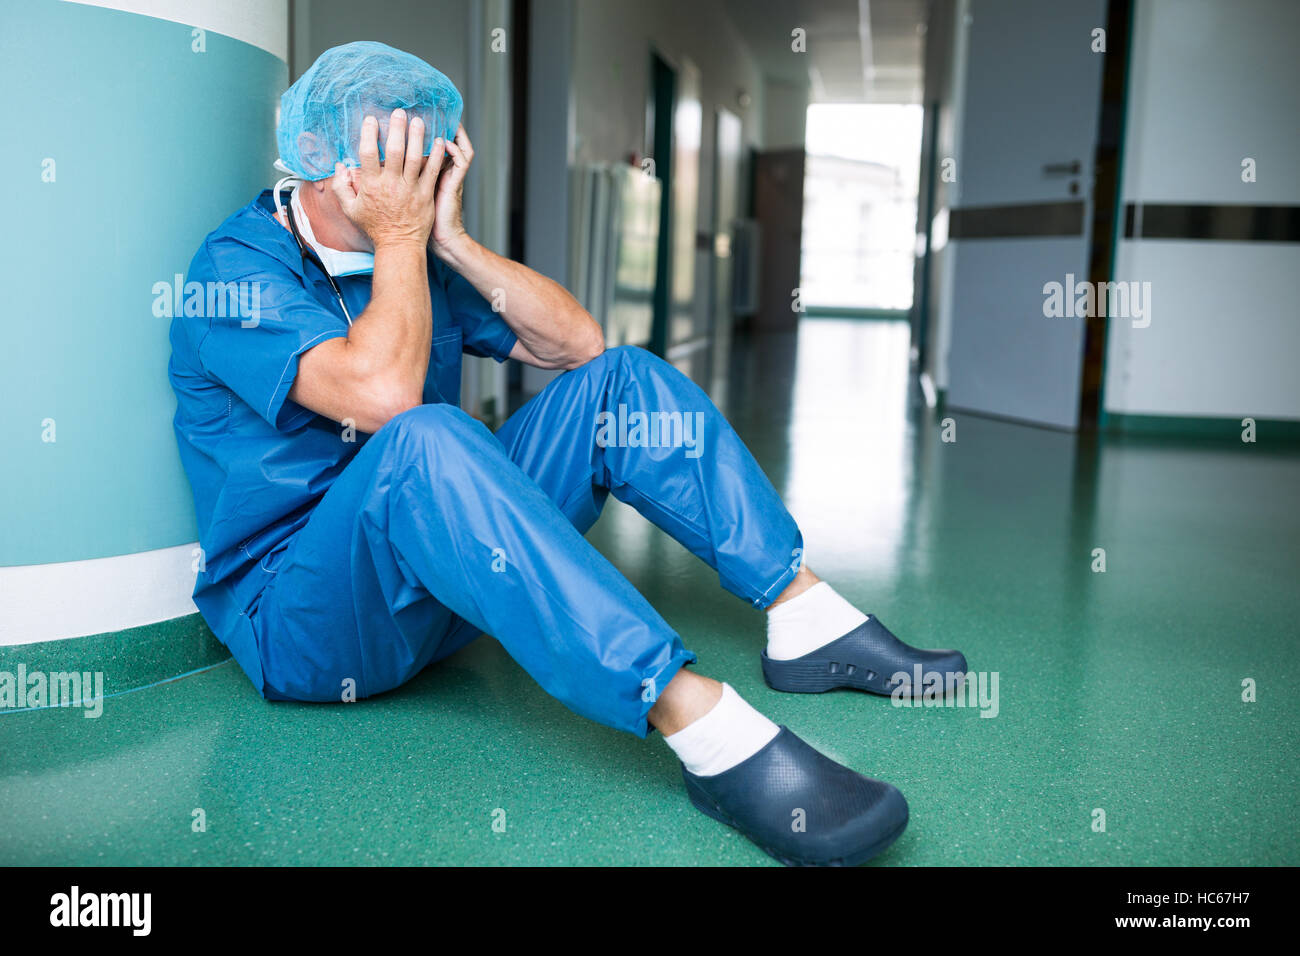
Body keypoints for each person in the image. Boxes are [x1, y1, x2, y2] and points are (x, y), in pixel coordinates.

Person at [168, 41, 966, 866]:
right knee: (429, 436)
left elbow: (580, 344)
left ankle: (805, 618)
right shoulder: (233, 270)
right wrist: (403, 234)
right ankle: (700, 722)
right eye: (399, 164)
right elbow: (387, 402)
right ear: (328, 167)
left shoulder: (408, 251)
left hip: (439, 596)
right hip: (309, 625)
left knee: (621, 382)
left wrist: (450, 243)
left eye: (429, 161)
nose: (418, 181)